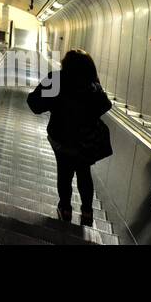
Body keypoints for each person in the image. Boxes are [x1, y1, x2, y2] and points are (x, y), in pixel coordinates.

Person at [27, 48, 113, 224]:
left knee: (64, 172)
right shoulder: (91, 84)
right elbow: (105, 105)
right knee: (84, 172)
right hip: (85, 141)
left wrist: (55, 105)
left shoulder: (57, 80)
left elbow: (35, 104)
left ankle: (65, 208)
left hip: (61, 138)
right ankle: (87, 212)